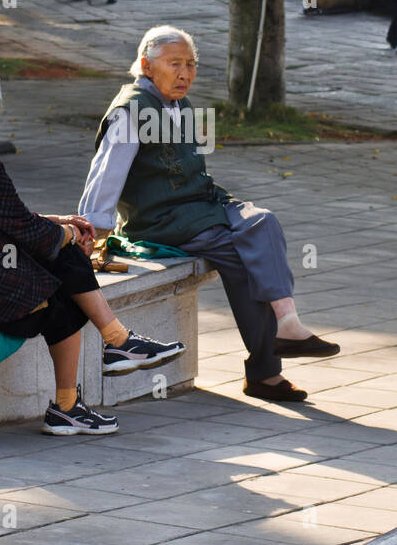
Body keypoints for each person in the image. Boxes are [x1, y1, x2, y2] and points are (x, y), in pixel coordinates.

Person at [0, 65, 184, 436]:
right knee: (63, 280)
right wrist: (69, 232)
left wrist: (61, 223)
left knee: (61, 262)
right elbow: (29, 233)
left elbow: (2, 217)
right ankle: (107, 355)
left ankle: (109, 355)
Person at [78, 27, 340, 404]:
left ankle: (288, 324)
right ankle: (266, 373)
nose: (184, 73)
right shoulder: (131, 111)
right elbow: (105, 178)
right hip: (161, 220)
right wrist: (92, 235)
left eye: (190, 64)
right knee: (240, 256)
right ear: (146, 66)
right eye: (174, 64)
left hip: (201, 205)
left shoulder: (180, 104)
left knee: (262, 222)